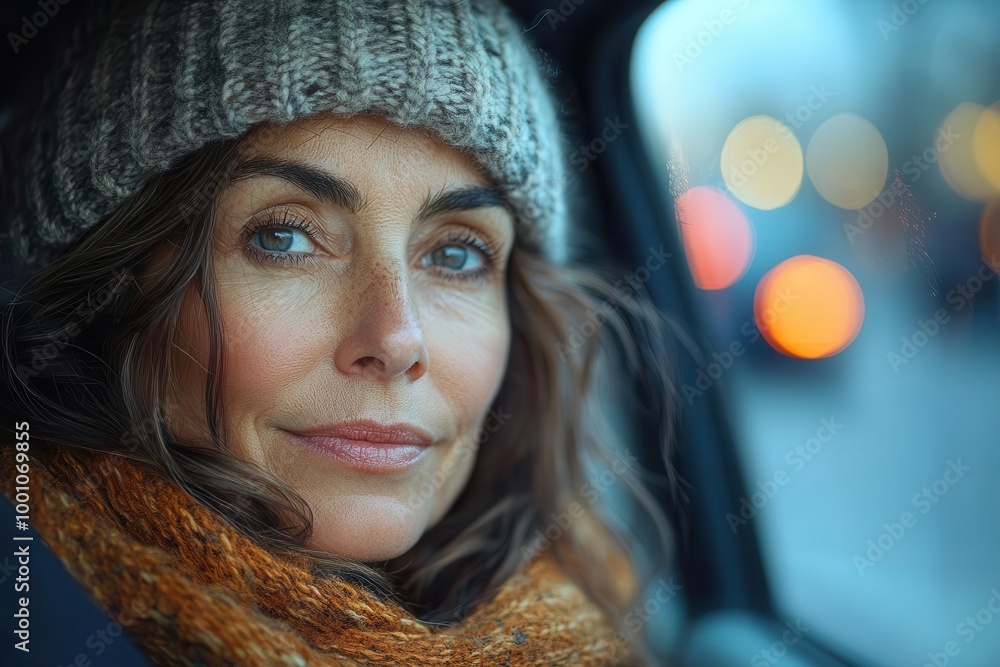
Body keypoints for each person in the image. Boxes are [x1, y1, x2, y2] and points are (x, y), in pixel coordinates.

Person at [0, 0, 678, 664]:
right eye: (283, 236)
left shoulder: (587, 616)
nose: (397, 339)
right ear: (107, 290)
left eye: (456, 254)